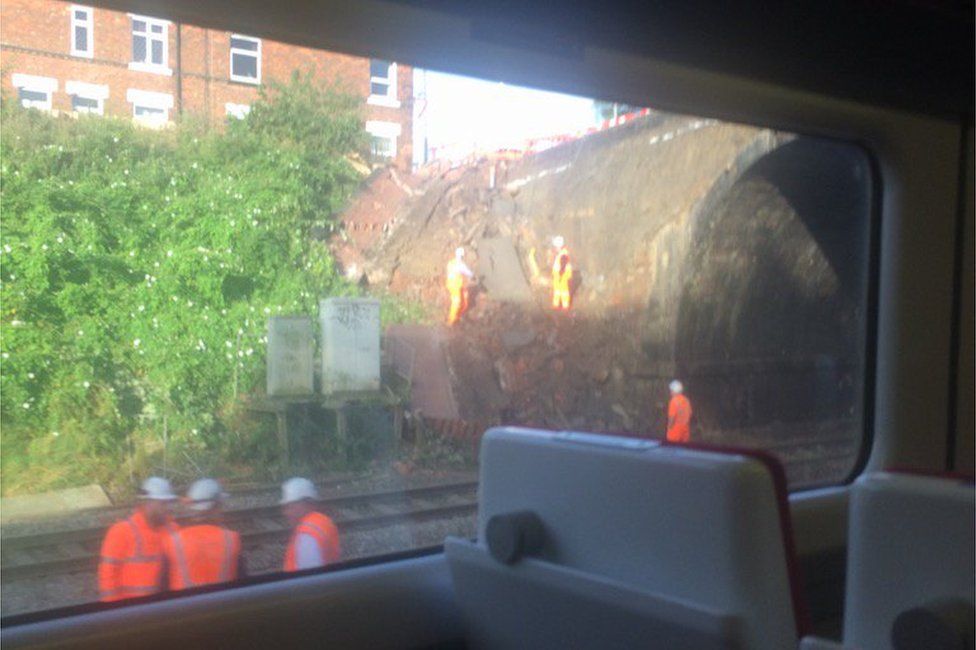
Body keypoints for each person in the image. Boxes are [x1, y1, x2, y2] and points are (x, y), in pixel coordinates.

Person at [98, 476, 179, 602]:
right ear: (147, 503)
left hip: (166, 607)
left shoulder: (174, 530)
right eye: (163, 503)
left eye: (169, 503)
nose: (169, 508)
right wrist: (115, 608)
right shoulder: (121, 531)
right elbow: (108, 576)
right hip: (133, 609)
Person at [161, 478, 243, 591]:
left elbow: (163, 588)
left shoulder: (172, 541)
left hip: (185, 602)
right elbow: (243, 586)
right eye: (221, 506)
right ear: (215, 507)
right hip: (224, 602)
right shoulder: (231, 539)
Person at [280, 477, 341, 572]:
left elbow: (309, 578)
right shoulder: (324, 521)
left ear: (305, 504)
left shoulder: (307, 534)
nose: (286, 512)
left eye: (290, 506)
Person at [445, 246, 474, 326]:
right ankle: (451, 321)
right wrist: (473, 276)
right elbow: (469, 273)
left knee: (465, 299)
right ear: (462, 256)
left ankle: (458, 316)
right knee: (456, 302)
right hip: (455, 285)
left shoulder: (450, 262)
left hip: (454, 284)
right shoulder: (460, 264)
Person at [551, 236, 573, 310]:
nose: (555, 248)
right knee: (557, 291)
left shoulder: (563, 254)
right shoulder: (561, 253)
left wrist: (560, 275)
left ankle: (565, 306)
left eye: (555, 246)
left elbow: (563, 265)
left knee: (563, 292)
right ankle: (556, 305)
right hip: (559, 275)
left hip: (562, 275)